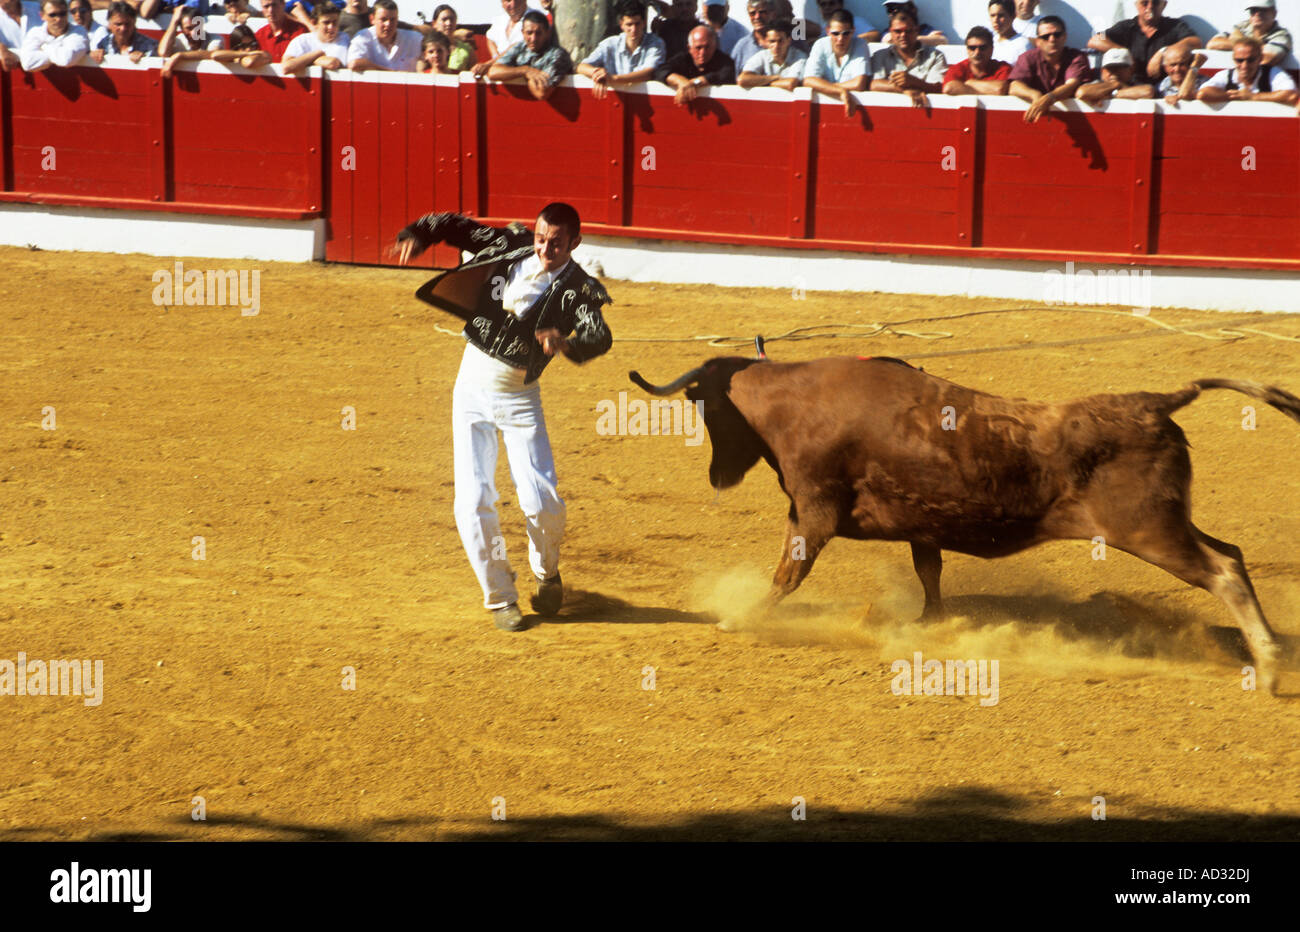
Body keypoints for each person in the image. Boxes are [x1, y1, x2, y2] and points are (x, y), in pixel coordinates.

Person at [393, 205, 613, 632]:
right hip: (471, 385)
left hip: (519, 396)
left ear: (575, 244)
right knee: (472, 498)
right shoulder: (506, 245)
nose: (546, 248)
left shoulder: (579, 289)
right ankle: (499, 597)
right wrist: (418, 233)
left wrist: (565, 343)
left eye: (557, 243)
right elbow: (456, 226)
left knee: (543, 501)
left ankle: (546, 571)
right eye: (541, 238)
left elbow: (598, 335)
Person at [1088, 0, 1200, 86]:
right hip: (1131, 87)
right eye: (1144, 3)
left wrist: (1163, 52)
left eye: (1155, 2)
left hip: (1165, 88)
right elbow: (1097, 38)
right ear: (1137, 4)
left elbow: (1195, 42)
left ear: (1164, 5)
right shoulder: (1126, 27)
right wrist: (1125, 53)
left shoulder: (1175, 26)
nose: (1150, 7)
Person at [1008, 15, 1091, 122]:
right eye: (1046, 37)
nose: (1052, 40)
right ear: (1038, 41)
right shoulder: (1027, 58)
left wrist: (1049, 98)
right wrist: (1035, 95)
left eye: (1057, 35)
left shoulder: (1076, 57)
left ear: (1064, 37)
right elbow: (1014, 86)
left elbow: (1071, 85)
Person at [577, 0, 664, 100]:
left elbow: (648, 74)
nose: (634, 29)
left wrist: (613, 79)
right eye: (629, 25)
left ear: (644, 23)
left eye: (637, 24)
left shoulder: (655, 43)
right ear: (621, 24)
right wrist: (597, 74)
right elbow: (581, 67)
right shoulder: (610, 44)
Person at [869, 8, 946, 108]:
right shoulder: (880, 55)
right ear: (890, 32)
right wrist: (904, 90)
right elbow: (873, 84)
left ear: (917, 30)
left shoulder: (935, 56)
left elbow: (939, 88)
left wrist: (914, 81)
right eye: (897, 31)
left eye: (908, 31)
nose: (903, 35)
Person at [488, 9, 570, 99]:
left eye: (538, 33)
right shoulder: (520, 46)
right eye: (529, 33)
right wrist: (525, 70)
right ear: (522, 32)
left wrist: (520, 73)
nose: (533, 38)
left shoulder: (557, 55)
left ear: (547, 33)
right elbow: (493, 72)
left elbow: (541, 92)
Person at [802, 6, 868, 116]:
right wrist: (840, 91)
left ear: (853, 31)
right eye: (835, 33)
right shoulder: (820, 44)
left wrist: (827, 86)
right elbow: (809, 80)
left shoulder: (860, 44)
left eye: (846, 33)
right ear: (828, 31)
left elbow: (859, 84)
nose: (840, 39)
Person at [1198, 36, 1298, 105]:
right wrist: (1236, 96)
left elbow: (1291, 94)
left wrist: (1252, 96)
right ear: (1233, 59)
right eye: (1239, 60)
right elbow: (1203, 94)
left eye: (1250, 60)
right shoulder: (1226, 75)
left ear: (1260, 58)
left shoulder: (1273, 73)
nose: (1244, 65)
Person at [653, 22, 734, 107]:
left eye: (707, 47)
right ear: (689, 48)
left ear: (715, 46)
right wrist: (681, 81)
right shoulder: (683, 58)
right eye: (698, 48)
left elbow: (725, 74)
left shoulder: (724, 61)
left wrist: (694, 83)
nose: (703, 52)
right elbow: (660, 71)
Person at [160, 19, 269, 72]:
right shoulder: (233, 56)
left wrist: (245, 54)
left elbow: (249, 62)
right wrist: (180, 55)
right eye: (243, 46)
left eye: (253, 44)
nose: (249, 49)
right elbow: (214, 55)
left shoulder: (262, 55)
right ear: (234, 48)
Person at [1208, 1, 1292, 67]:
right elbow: (1213, 44)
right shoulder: (1242, 26)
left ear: (1274, 13)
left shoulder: (1282, 35)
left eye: (1263, 10)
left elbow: (1267, 58)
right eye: (1253, 10)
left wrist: (1237, 41)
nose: (1257, 14)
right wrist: (1259, 46)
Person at [348, 0, 418, 71]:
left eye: (392, 20)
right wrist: (391, 73)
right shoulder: (363, 36)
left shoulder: (414, 38)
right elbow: (354, 64)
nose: (388, 24)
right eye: (383, 19)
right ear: (372, 19)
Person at [281, 0, 347, 73]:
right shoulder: (302, 40)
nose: (331, 27)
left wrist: (303, 62)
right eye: (326, 23)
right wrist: (318, 53)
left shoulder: (343, 38)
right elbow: (286, 67)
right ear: (314, 23)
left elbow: (332, 63)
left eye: (335, 22)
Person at [942, 25, 1010, 96]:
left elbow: (1000, 89)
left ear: (991, 49)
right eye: (972, 48)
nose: (977, 52)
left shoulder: (1002, 68)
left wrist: (970, 83)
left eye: (982, 48)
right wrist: (986, 90)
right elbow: (949, 88)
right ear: (967, 50)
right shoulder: (957, 68)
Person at [19, 0, 87, 70]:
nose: (58, 19)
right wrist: (57, 54)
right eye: (52, 15)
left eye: (62, 14)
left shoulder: (79, 31)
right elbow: (27, 63)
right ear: (42, 16)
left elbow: (66, 60)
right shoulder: (35, 32)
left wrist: (44, 47)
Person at [738, 19, 804, 89]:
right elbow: (742, 79)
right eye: (772, 41)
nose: (776, 46)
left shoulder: (800, 57)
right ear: (766, 41)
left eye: (780, 41)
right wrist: (776, 78)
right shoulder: (762, 55)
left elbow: (791, 83)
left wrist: (759, 82)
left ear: (789, 40)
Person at [1076, 47, 1156, 103]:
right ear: (1102, 71)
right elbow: (1082, 93)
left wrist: (1111, 93)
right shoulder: (1096, 84)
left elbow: (1148, 92)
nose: (1114, 72)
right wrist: (1116, 85)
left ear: (1131, 70)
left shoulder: (1136, 84)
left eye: (1120, 68)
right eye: (1110, 68)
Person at [91, 0, 157, 60]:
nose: (123, 29)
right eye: (118, 24)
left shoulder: (149, 45)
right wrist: (94, 55)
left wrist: (144, 58)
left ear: (134, 23)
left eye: (127, 24)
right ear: (109, 24)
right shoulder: (103, 44)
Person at [875, 1, 946, 48]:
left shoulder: (924, 29)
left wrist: (904, 40)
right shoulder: (888, 31)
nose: (894, 12)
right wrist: (926, 39)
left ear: (913, 9)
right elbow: (888, 40)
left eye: (899, 8)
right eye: (890, 9)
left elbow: (942, 40)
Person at [728, 0, 771, 73]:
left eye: (762, 12)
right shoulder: (742, 46)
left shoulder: (785, 42)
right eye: (752, 13)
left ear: (772, 13)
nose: (757, 17)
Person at [430, 3, 473, 71]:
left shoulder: (466, 49)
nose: (449, 23)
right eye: (444, 20)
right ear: (434, 23)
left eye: (452, 19)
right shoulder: (428, 48)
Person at [988, 0, 1029, 65]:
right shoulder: (989, 42)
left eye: (1001, 15)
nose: (995, 20)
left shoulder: (1023, 45)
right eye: (992, 15)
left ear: (1013, 16)